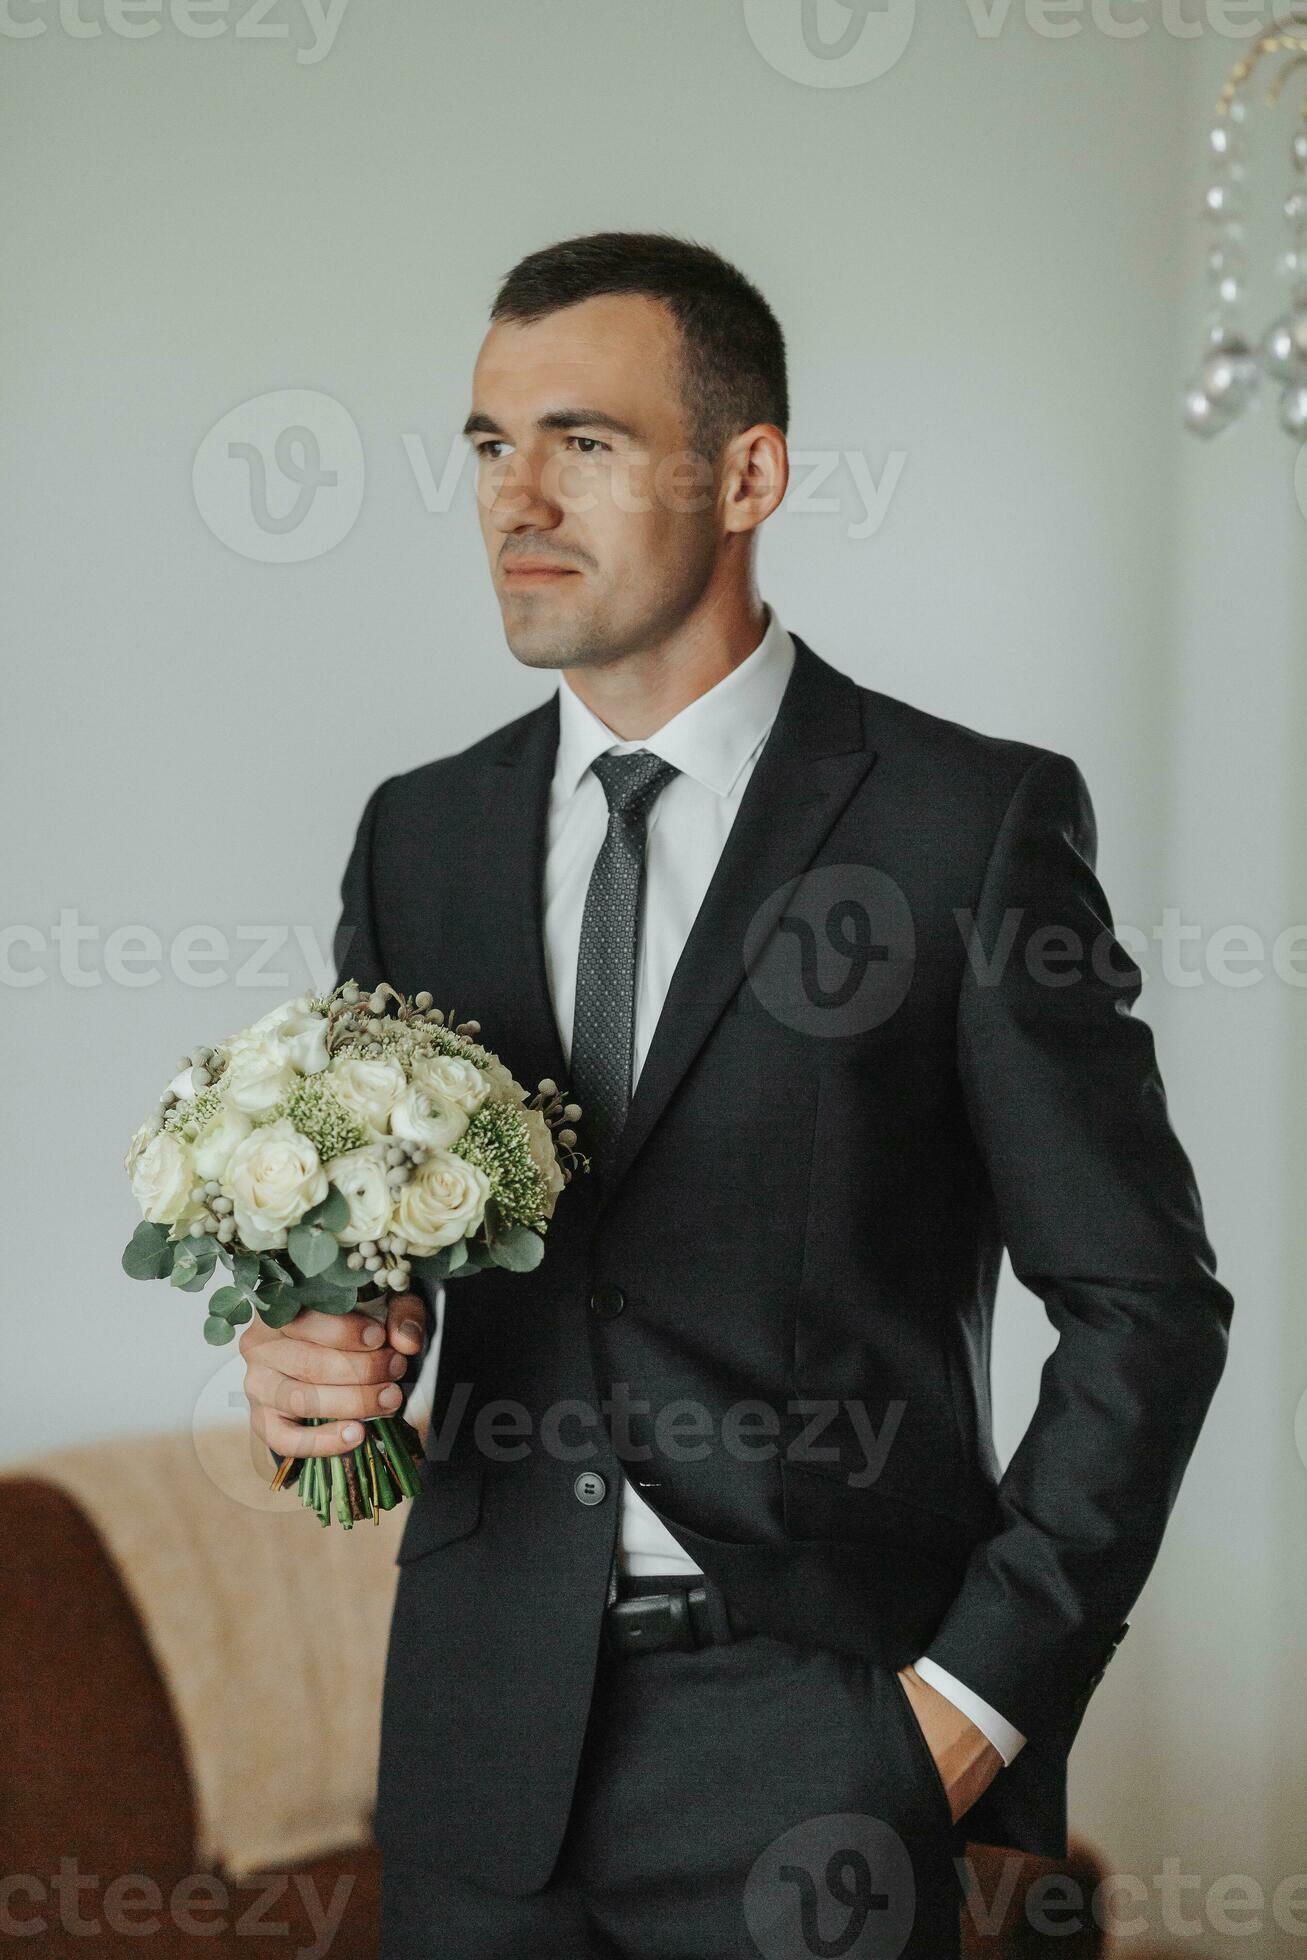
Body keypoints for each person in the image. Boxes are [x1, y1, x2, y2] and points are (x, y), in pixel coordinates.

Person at [239, 232, 1233, 1959]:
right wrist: (308, 1360)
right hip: (478, 1752)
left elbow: (1146, 1306)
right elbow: (374, 1268)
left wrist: (973, 1706)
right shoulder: (423, 839)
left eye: (586, 442)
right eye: (486, 446)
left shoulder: (961, 828)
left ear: (750, 471)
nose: (515, 498)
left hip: (825, 1746)